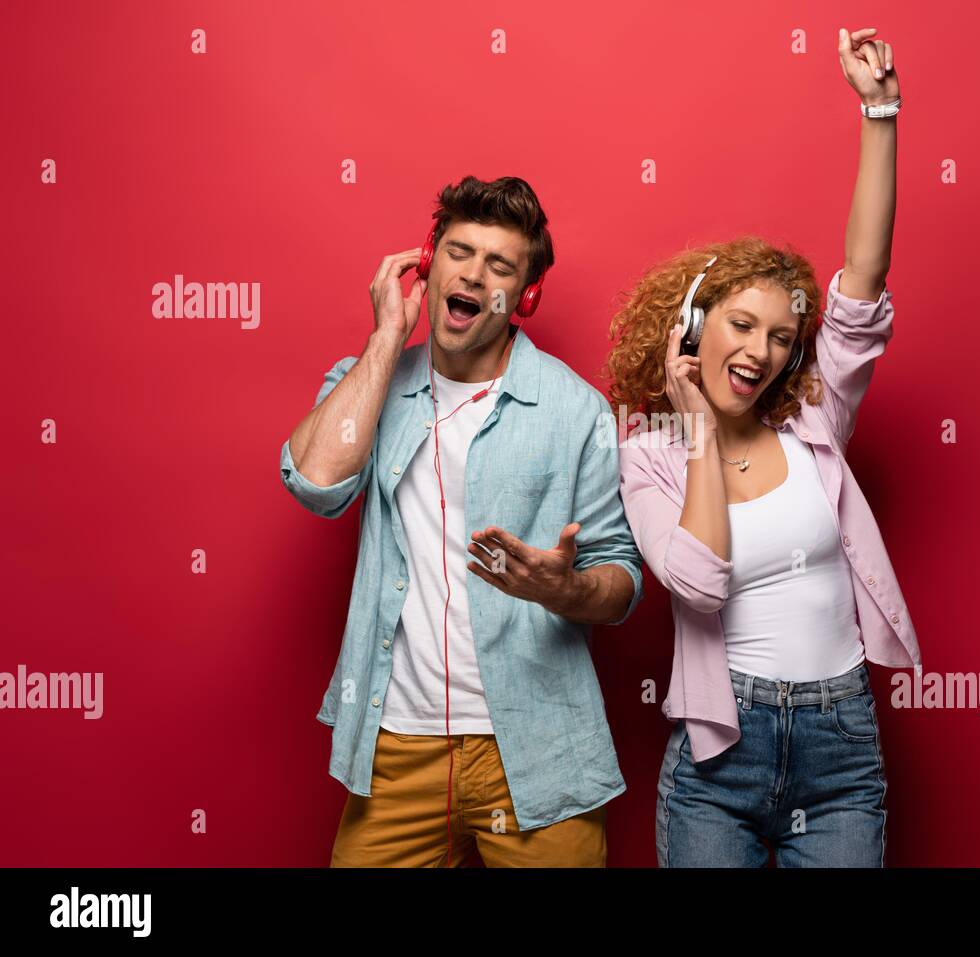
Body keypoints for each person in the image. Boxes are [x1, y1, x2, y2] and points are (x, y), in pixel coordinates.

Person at [606, 28, 920, 867]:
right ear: (693, 328)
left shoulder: (813, 419)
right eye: (742, 324)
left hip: (841, 741)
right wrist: (702, 433)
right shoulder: (650, 453)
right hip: (721, 756)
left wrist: (878, 111)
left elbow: (863, 281)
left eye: (782, 335)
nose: (762, 349)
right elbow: (701, 585)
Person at [279, 175, 644, 867]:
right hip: (396, 746)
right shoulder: (370, 380)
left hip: (540, 746)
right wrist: (388, 337)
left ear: (523, 295)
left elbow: (622, 577)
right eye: (458, 250)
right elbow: (316, 481)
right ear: (429, 262)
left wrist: (563, 590)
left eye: (499, 265)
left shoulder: (576, 410)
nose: (473, 273)